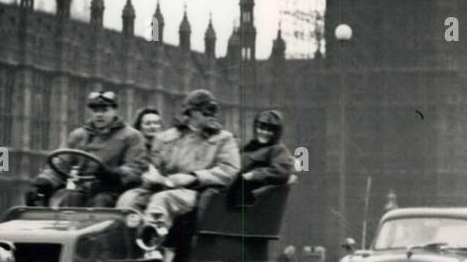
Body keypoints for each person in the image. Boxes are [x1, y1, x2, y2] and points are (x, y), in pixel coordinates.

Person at [136, 89, 240, 250]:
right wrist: (151, 175)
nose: (212, 115)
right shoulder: (166, 137)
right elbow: (154, 164)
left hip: (196, 192)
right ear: (192, 112)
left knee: (163, 200)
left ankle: (151, 246)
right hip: (161, 187)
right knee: (129, 200)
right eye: (207, 111)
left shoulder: (223, 139)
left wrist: (194, 177)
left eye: (214, 110)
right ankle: (121, 252)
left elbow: (229, 170)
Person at [27, 90, 150, 208]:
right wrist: (44, 182)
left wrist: (115, 174)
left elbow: (137, 167)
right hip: (83, 188)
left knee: (101, 202)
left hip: (115, 191)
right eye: (95, 111)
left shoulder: (131, 136)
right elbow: (61, 163)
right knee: (68, 201)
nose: (99, 115)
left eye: (104, 110)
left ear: (114, 111)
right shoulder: (79, 136)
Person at [236, 109, 295, 196]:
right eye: (261, 128)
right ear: (255, 128)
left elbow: (281, 171)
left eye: (270, 130)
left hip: (253, 195)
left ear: (276, 132)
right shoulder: (248, 147)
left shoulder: (278, 149)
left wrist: (253, 175)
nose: (264, 132)